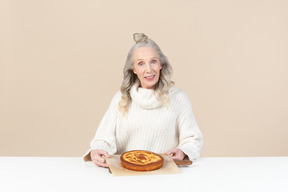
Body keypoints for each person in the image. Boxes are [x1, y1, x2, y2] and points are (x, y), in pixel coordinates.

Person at [83, 33, 203, 167]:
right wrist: (97, 151)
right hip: (127, 175)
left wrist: (183, 151)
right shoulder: (121, 98)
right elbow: (103, 139)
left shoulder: (179, 98)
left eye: (153, 61)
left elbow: (193, 140)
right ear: (133, 69)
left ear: (161, 65)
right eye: (141, 63)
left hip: (166, 176)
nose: (149, 70)